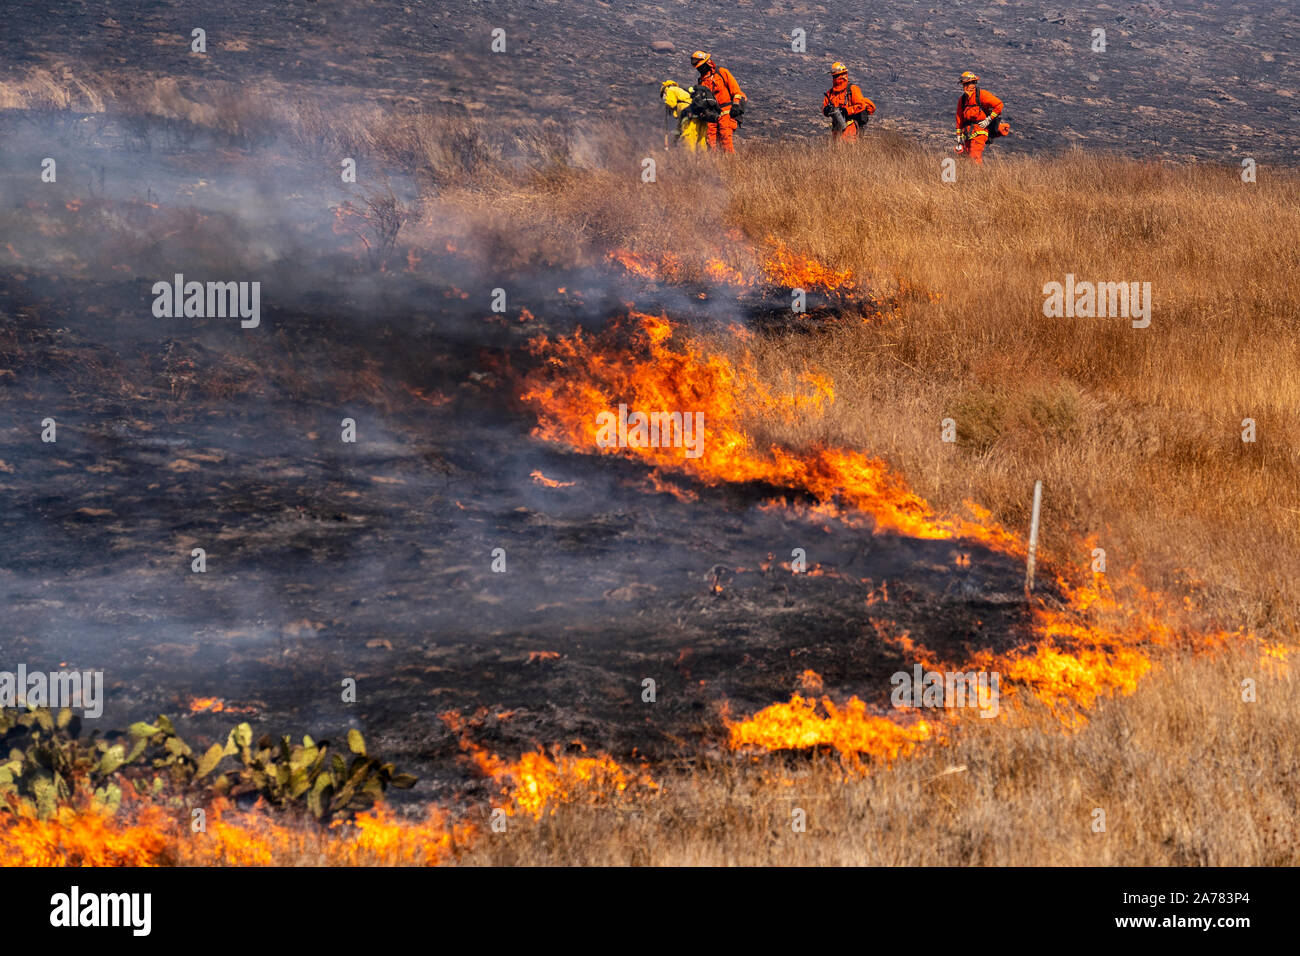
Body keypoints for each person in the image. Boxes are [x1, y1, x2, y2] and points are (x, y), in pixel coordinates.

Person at [690, 51, 746, 153]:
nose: (700, 69)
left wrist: (736, 105)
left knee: (725, 137)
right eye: (698, 67)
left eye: (701, 66)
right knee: (710, 140)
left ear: (708, 63)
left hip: (727, 111)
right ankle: (716, 163)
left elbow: (736, 91)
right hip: (713, 114)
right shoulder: (701, 81)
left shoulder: (722, 73)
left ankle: (730, 162)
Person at [954, 71, 1007, 165]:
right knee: (964, 158)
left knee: (975, 157)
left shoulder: (982, 95)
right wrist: (958, 136)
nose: (967, 86)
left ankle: (977, 178)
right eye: (965, 84)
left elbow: (999, 105)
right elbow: (959, 118)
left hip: (980, 131)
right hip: (967, 134)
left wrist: (988, 120)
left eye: (969, 83)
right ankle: (968, 178)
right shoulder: (962, 100)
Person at [821, 62, 876, 141]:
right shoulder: (830, 93)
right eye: (834, 76)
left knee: (847, 148)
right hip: (836, 127)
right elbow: (824, 107)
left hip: (851, 125)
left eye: (837, 76)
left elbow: (861, 105)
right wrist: (826, 110)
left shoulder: (852, 89)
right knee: (836, 150)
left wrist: (846, 111)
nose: (835, 78)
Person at [660, 80, 707, 151]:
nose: (664, 98)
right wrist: (675, 140)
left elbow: (671, 103)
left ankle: (689, 158)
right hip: (696, 114)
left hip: (688, 114)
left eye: (663, 96)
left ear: (664, 91)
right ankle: (704, 158)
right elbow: (679, 126)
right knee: (700, 138)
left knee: (688, 137)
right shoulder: (680, 92)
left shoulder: (670, 89)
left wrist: (667, 104)